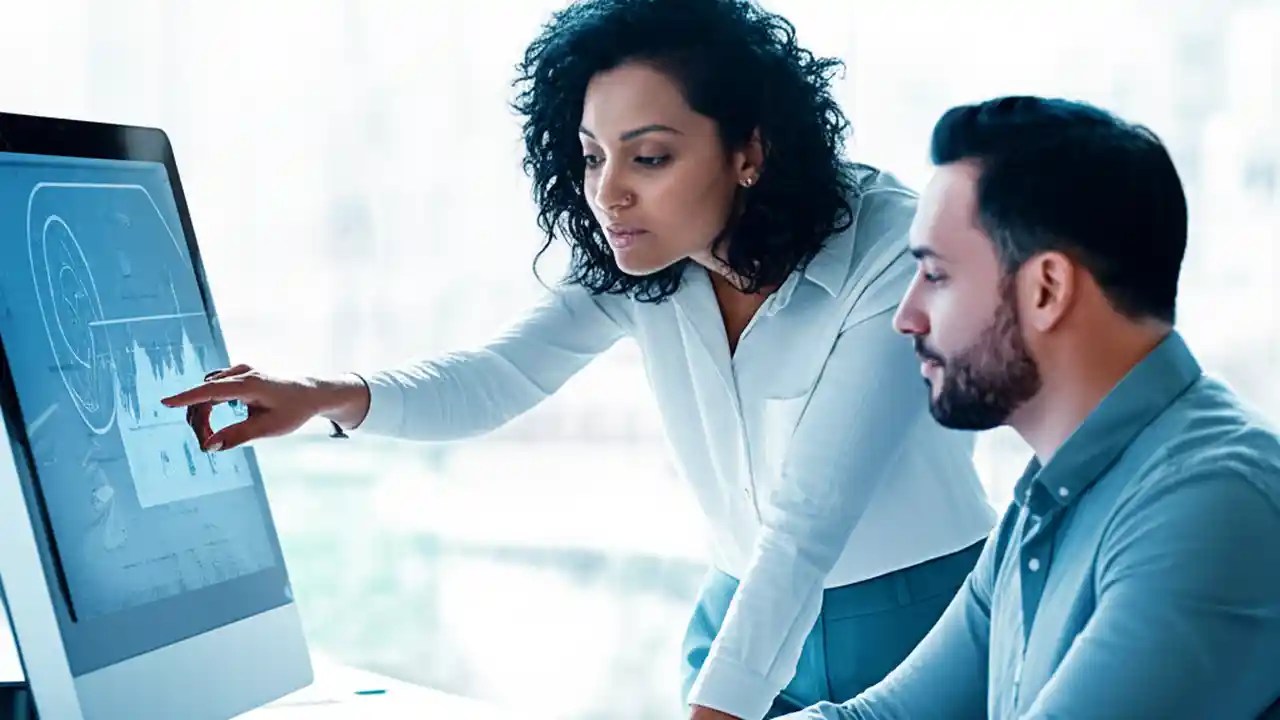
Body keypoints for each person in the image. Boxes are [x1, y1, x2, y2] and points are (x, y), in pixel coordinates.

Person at [161, 2, 995, 718]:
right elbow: (499, 377)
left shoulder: (896, 249)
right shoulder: (647, 252)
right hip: (735, 612)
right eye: (593, 155)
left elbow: (810, 520)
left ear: (751, 150)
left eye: (650, 156)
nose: (608, 193)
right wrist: (325, 396)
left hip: (914, 623)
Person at [782, 96, 1280, 720]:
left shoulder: (1209, 501)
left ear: (1046, 289)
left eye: (935, 275)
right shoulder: (1052, 492)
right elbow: (885, 717)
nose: (905, 318)